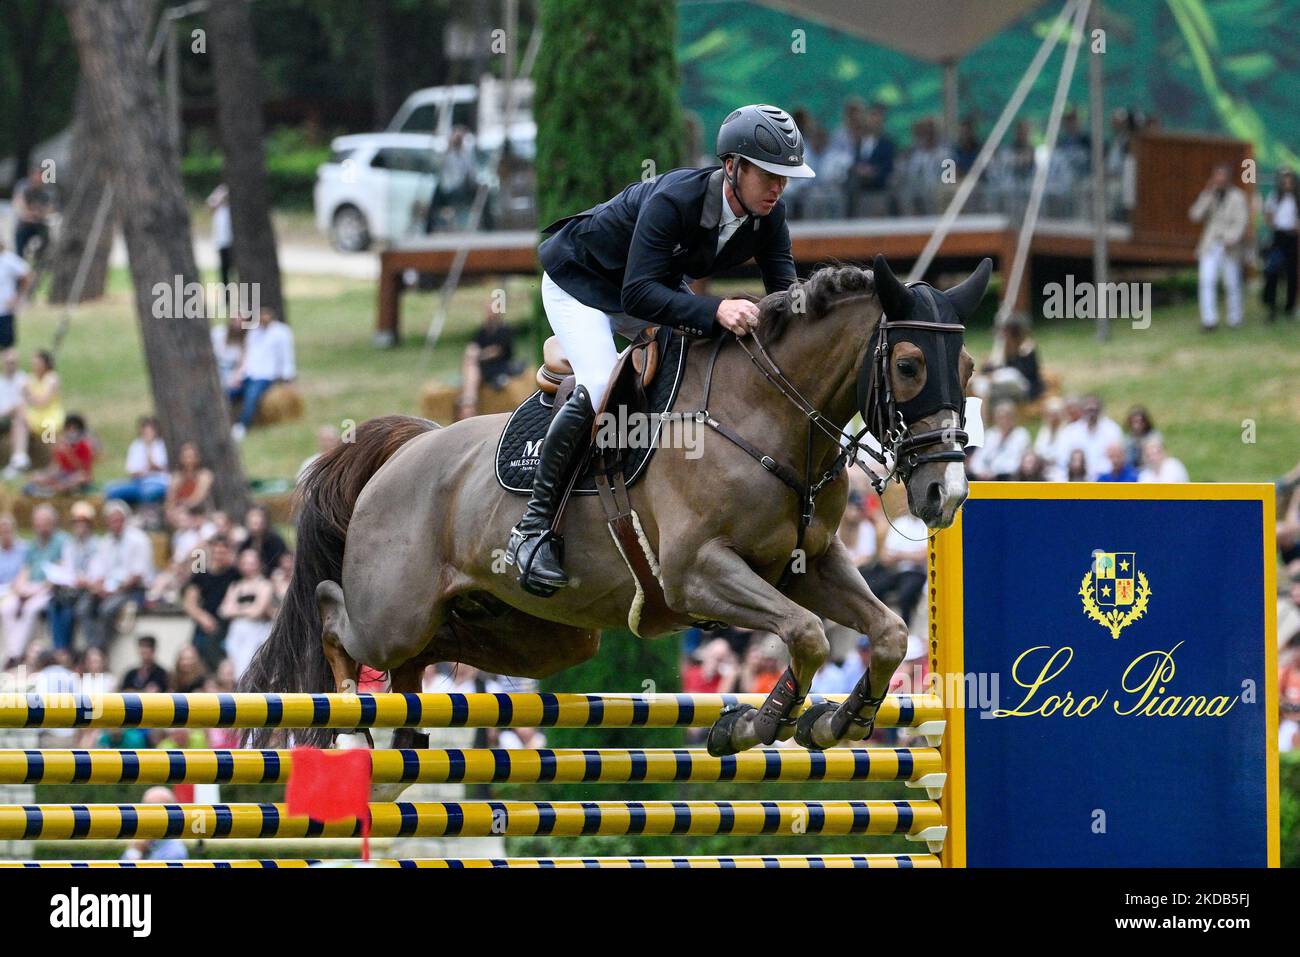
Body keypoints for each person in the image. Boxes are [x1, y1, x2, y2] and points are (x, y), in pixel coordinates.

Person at [507, 103, 815, 596]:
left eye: (786, 176)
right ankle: (532, 530)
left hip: (648, 286)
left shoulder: (768, 217)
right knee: (600, 382)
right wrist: (714, 310)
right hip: (581, 284)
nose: (779, 187)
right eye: (769, 174)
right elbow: (637, 295)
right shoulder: (676, 199)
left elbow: (787, 298)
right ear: (732, 167)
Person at [83, 501, 155, 649]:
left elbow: (137, 575)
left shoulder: (139, 539)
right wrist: (99, 587)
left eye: (118, 520)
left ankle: (100, 650)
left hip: (132, 590)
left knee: (107, 609)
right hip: (109, 589)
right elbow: (98, 571)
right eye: (112, 520)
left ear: (125, 520)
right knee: (83, 607)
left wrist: (113, 590)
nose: (115, 524)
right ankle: (91, 648)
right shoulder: (104, 542)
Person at [0, 504, 65, 665]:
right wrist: (20, 588)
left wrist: (36, 590)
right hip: (29, 588)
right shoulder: (33, 544)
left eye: (44, 522)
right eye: (38, 523)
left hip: (47, 589)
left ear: (52, 523)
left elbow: (59, 573)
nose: (41, 527)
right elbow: (25, 570)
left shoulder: (61, 541)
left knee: (30, 609)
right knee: (7, 608)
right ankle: (13, 652)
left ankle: (15, 655)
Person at [1189, 164, 1250, 331]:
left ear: (1229, 179)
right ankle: (1209, 320)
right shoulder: (1209, 195)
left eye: (1222, 177)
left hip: (1229, 245)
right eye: (1217, 177)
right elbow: (1194, 215)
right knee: (1206, 281)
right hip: (1210, 244)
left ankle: (1234, 318)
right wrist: (1207, 194)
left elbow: (1242, 222)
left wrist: (1232, 238)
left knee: (1231, 283)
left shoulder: (1238, 197)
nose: (1220, 180)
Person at [229, 307, 295, 441]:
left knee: (251, 396)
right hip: (249, 374)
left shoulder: (281, 332)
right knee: (230, 393)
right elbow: (248, 355)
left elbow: (287, 357)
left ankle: (242, 426)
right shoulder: (254, 332)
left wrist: (288, 379)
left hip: (266, 375)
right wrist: (238, 374)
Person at [47, 499, 99, 652]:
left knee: (73, 610)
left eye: (83, 522)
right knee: (54, 604)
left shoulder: (96, 545)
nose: (79, 526)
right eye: (76, 523)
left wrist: (81, 579)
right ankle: (59, 648)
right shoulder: (69, 544)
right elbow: (67, 569)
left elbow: (96, 573)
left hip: (87, 590)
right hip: (72, 587)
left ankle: (72, 649)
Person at [182, 536, 239, 671]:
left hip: (227, 626)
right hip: (204, 626)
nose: (219, 556)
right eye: (216, 552)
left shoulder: (235, 574)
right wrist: (203, 618)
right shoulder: (201, 573)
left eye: (223, 553)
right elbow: (189, 603)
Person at [458, 302, 524, 417]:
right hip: (484, 366)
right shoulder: (483, 330)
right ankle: (469, 401)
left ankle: (468, 402)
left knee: (472, 367)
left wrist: (478, 356)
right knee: (471, 364)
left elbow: (496, 351)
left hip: (499, 366)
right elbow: (474, 345)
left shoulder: (504, 330)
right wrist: (472, 352)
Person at [3, 349, 61, 477]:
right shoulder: (30, 378)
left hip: (49, 415)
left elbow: (43, 402)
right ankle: (19, 457)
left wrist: (28, 394)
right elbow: (23, 401)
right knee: (19, 420)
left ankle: (52, 462)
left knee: (48, 429)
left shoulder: (51, 378)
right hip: (35, 415)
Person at [220, 547, 275, 679]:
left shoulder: (265, 585)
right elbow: (224, 611)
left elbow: (257, 612)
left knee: (249, 668)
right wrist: (248, 608)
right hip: (236, 632)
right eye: (245, 563)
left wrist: (237, 608)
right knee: (233, 669)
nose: (248, 567)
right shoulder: (236, 586)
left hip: (256, 632)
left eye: (252, 563)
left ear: (259, 564)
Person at [101, 416, 169, 505]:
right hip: (138, 482)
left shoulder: (160, 445)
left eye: (150, 431)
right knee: (110, 490)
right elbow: (132, 471)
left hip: (157, 481)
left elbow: (161, 467)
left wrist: (149, 449)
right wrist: (144, 471)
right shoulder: (136, 446)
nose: (147, 433)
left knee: (148, 493)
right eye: (145, 431)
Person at [22, 413, 96, 496]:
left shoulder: (85, 446)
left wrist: (68, 453)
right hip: (63, 474)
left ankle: (55, 491)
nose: (72, 431)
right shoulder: (61, 444)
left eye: (74, 428)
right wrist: (43, 476)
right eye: (69, 428)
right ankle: (47, 490)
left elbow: (83, 470)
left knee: (76, 479)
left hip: (78, 475)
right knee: (38, 477)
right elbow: (56, 466)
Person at [1262, 168, 1299, 321]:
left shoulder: (1297, 199)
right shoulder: (1274, 197)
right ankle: (1271, 305)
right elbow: (1268, 216)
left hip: (1293, 237)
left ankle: (1290, 306)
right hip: (1279, 237)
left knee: (1292, 274)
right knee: (1272, 270)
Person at [968, 401, 1031, 481]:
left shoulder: (1021, 435)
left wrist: (994, 472)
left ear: (1013, 418)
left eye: (1007, 417)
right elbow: (978, 458)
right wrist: (981, 472)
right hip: (985, 475)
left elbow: (1015, 462)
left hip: (1007, 476)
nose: (1004, 421)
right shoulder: (990, 434)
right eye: (1000, 417)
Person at [164, 442, 215, 523]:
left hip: (199, 513)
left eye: (191, 457)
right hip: (179, 515)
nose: (188, 460)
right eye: (185, 457)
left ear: (197, 458)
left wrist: (183, 508)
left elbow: (199, 497)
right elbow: (171, 498)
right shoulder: (177, 477)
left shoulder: (204, 475)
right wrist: (170, 511)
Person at [12, 167, 54, 260]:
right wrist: (33, 213)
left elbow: (50, 209)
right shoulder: (23, 187)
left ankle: (38, 261)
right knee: (20, 242)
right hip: (24, 224)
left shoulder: (46, 191)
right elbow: (19, 206)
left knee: (46, 240)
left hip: (40, 224)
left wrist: (37, 213)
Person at [0, 239, 33, 350]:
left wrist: (18, 297)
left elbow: (26, 274)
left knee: (7, 345)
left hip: (4, 310)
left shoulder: (8, 259)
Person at [208, 184, 234, 286]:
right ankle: (227, 296)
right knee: (224, 270)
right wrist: (219, 196)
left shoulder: (231, 210)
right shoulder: (219, 210)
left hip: (232, 242)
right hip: (222, 242)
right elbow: (210, 206)